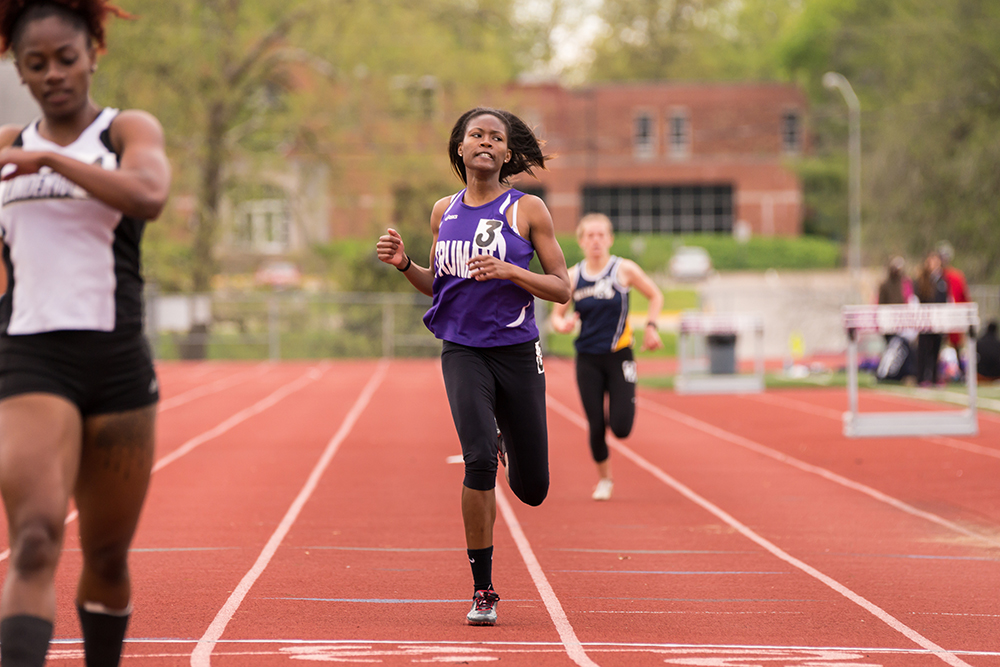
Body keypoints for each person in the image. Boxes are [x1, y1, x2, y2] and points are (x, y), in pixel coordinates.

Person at [0, 1, 170, 665]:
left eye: (65, 59)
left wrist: (54, 164)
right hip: (29, 359)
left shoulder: (124, 129)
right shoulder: (6, 148)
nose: (53, 75)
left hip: (117, 363)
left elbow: (148, 193)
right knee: (36, 537)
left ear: (94, 53)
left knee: (105, 553)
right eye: (34, 64)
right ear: (18, 68)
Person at [376, 107, 570, 627]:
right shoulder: (444, 211)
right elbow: (439, 284)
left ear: (507, 154)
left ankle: (506, 435)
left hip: (515, 351)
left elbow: (562, 288)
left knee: (532, 490)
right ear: (460, 149)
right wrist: (404, 265)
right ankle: (483, 589)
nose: (485, 142)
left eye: (496, 137)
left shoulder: (527, 210)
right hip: (462, 349)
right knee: (478, 460)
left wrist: (510, 270)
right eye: (475, 135)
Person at [549, 213, 663, 501]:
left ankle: (621, 413)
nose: (596, 240)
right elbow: (556, 314)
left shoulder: (624, 270)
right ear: (581, 241)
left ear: (610, 239)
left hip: (619, 355)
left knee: (621, 427)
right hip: (587, 358)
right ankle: (604, 480)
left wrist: (651, 327)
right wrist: (561, 325)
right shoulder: (574, 276)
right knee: (595, 424)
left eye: (601, 235)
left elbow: (655, 295)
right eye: (590, 235)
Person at [913, 250, 949, 386]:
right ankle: (921, 377)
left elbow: (945, 299)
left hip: (938, 320)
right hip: (925, 320)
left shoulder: (943, 281)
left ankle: (934, 377)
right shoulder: (922, 280)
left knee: (936, 349)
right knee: (923, 349)